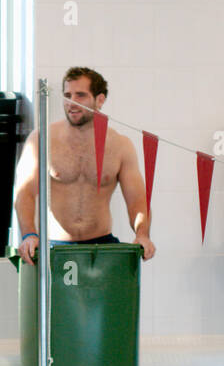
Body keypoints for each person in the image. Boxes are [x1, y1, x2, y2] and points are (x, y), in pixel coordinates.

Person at [14, 67, 156, 263]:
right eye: (67, 95)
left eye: (80, 95)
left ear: (100, 100)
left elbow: (138, 200)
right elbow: (24, 193)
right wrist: (29, 235)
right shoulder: (41, 139)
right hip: (54, 246)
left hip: (102, 245)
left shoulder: (120, 145)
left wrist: (142, 234)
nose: (71, 102)